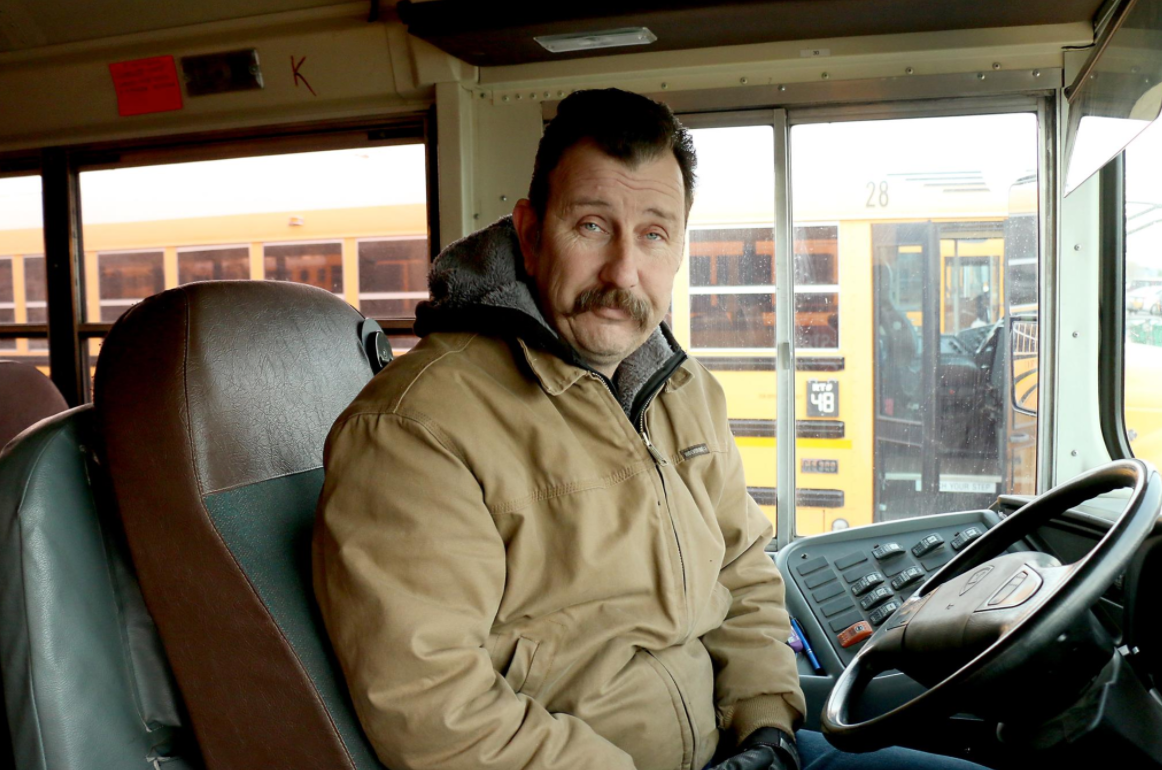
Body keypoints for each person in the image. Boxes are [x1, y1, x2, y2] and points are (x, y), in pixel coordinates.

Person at [313, 88, 986, 770]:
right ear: (530, 235)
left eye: (654, 235)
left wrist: (767, 725)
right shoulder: (415, 428)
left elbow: (744, 575)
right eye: (591, 226)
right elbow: (434, 708)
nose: (622, 272)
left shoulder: (685, 391)